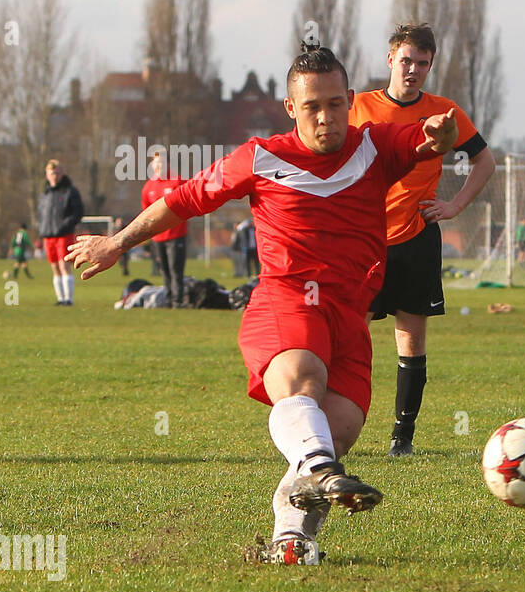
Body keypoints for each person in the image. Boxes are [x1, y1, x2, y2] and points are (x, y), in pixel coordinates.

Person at [68, 44, 457, 564]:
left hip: (349, 316)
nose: (327, 117)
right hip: (286, 302)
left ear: (350, 102)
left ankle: (292, 539)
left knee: (335, 431)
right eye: (313, 105)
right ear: (291, 108)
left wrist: (442, 139)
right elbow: (180, 200)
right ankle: (319, 472)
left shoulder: (374, 146)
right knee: (304, 383)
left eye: (337, 103)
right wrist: (117, 242)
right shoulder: (259, 158)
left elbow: (425, 141)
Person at [347, 22, 496, 458]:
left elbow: (484, 161)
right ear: (390, 58)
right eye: (406, 60)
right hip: (363, 241)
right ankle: (338, 430)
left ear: (431, 66)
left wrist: (454, 207)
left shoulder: (444, 112)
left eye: (422, 63)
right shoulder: (358, 106)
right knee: (349, 337)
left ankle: (402, 438)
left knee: (410, 339)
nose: (413, 70)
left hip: (415, 238)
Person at [141, 152, 190, 308]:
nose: (159, 166)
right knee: (164, 270)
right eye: (156, 163)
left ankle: (178, 301)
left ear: (168, 164)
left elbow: (187, 203)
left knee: (176, 269)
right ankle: (169, 299)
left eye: (161, 162)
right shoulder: (148, 187)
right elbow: (146, 212)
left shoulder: (177, 181)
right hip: (158, 237)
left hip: (176, 235)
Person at [37, 160, 85, 306]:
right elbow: (40, 213)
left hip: (64, 234)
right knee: (54, 267)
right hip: (48, 235)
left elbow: (78, 212)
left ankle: (68, 298)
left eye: (57, 173)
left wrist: (65, 225)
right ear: (47, 174)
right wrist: (42, 227)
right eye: (52, 173)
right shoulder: (45, 193)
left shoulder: (69, 191)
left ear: (62, 173)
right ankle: (60, 298)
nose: (55, 176)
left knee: (64, 265)